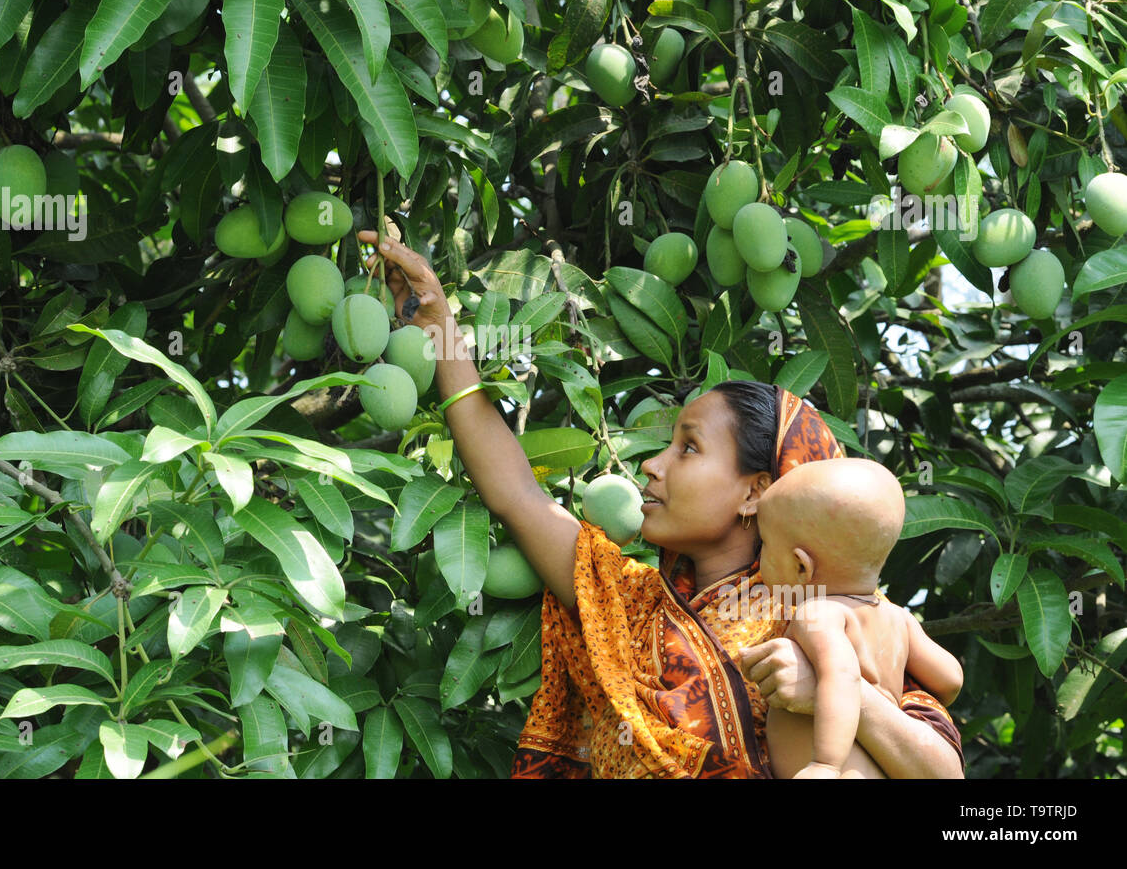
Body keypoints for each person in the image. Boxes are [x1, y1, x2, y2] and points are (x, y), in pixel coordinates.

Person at [357, 228, 965, 779]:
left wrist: (841, 692)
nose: (653, 463)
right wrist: (437, 325)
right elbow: (516, 492)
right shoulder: (625, 605)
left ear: (756, 491)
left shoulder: (830, 609)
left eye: (689, 448)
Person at [754, 457, 965, 778]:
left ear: (801, 567)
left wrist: (824, 763)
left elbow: (842, 677)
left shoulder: (819, 614)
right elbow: (950, 681)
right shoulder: (898, 617)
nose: (758, 561)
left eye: (765, 546)